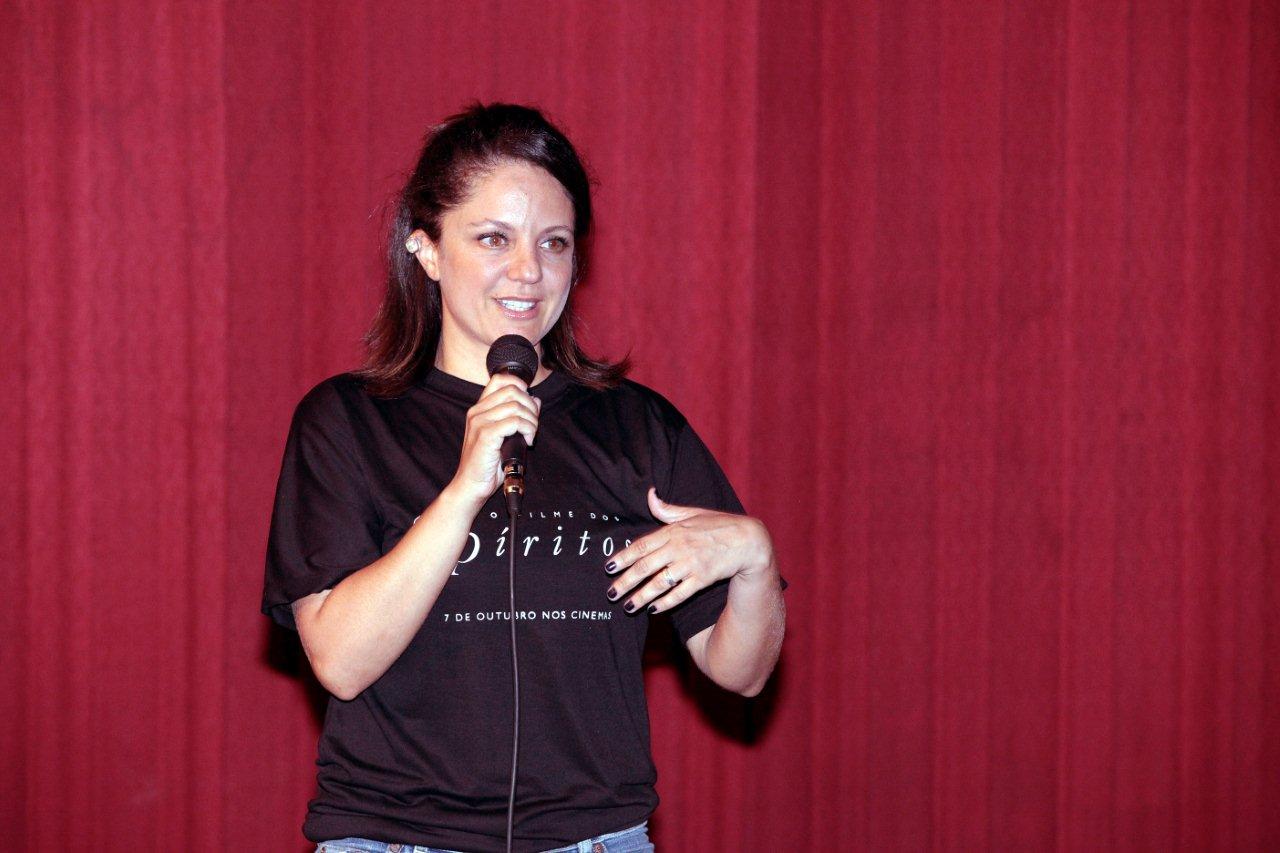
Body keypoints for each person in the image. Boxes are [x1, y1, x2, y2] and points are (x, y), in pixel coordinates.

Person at [261, 103, 786, 853]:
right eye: (493, 239)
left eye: (554, 243)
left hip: (594, 839)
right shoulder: (348, 422)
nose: (528, 271)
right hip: (393, 838)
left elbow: (741, 672)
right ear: (427, 249)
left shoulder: (637, 427)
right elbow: (340, 662)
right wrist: (464, 486)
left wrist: (755, 562)